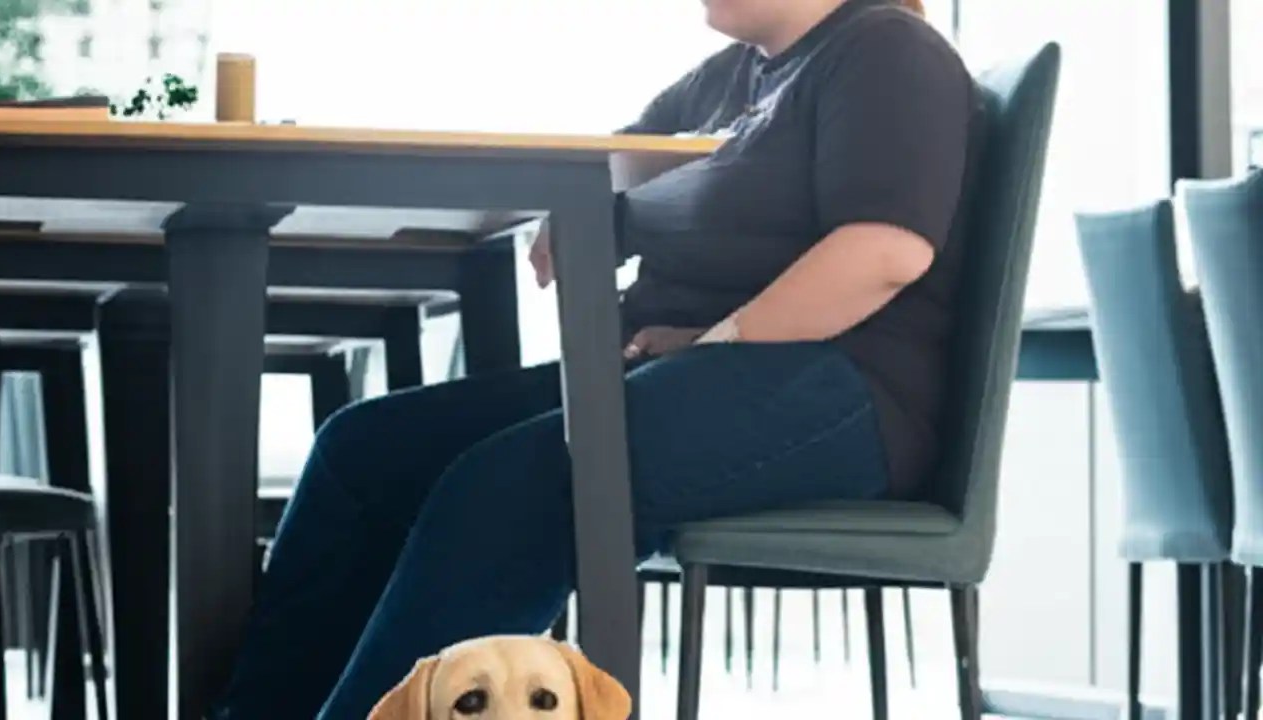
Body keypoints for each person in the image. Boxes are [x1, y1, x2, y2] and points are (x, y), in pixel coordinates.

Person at [214, 0, 984, 716]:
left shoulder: (887, 49)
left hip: (842, 393)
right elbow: (612, 163)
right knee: (367, 450)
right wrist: (596, 214)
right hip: (680, 370)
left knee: (518, 482)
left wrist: (714, 341)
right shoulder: (733, 78)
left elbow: (884, 251)